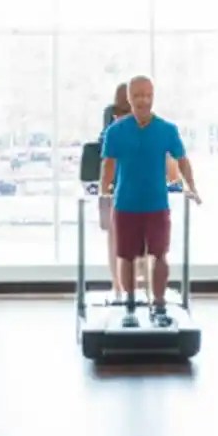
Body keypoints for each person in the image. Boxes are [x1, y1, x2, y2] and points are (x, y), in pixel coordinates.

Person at [99, 75, 200, 327]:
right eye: (137, 96)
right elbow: (108, 165)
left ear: (153, 97)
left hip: (156, 205)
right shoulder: (115, 132)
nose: (143, 100)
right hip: (126, 205)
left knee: (160, 255)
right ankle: (130, 304)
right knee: (127, 257)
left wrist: (193, 188)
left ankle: (159, 304)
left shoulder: (167, 130)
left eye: (147, 95)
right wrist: (103, 193)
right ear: (129, 99)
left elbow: (182, 160)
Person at [98, 82, 131, 299]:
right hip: (114, 187)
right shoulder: (111, 124)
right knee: (114, 237)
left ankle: (125, 286)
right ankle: (118, 285)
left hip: (126, 187)